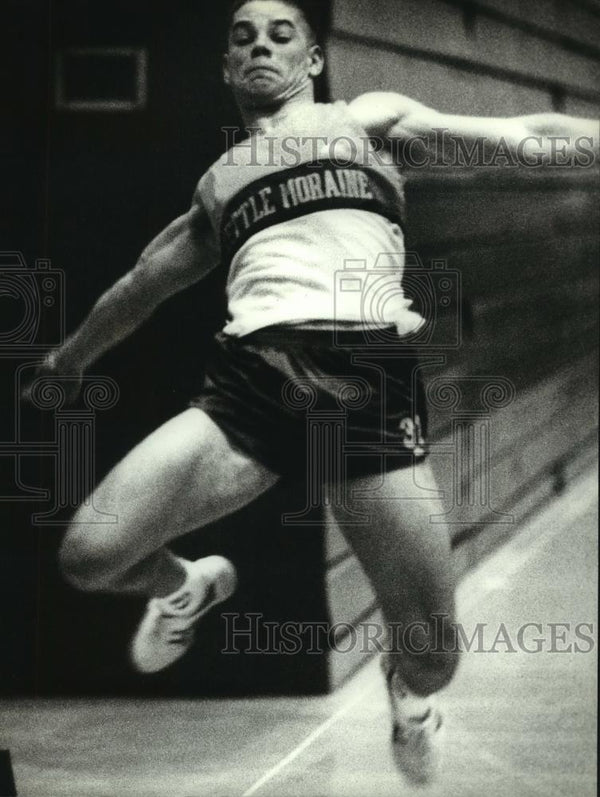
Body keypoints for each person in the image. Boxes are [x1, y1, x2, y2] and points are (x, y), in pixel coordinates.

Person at [25, 0, 598, 785]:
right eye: (242, 38)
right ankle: (185, 586)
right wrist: (70, 356)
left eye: (280, 33)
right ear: (228, 69)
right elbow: (138, 285)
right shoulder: (218, 185)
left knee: (433, 656)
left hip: (368, 390)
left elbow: (527, 138)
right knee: (91, 554)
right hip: (247, 390)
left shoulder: (369, 123)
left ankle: (406, 688)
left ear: (314, 59)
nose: (260, 43)